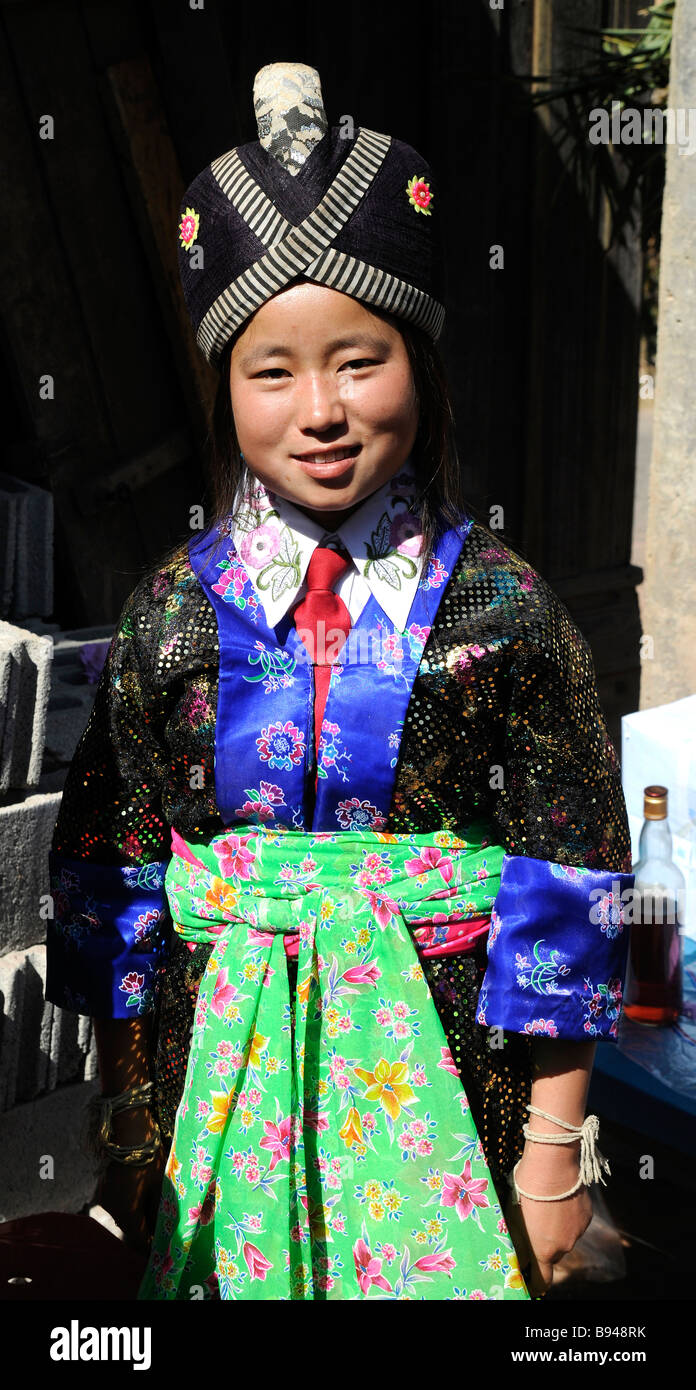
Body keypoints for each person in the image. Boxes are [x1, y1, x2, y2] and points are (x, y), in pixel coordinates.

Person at [45, 62, 633, 1302]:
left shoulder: (504, 609)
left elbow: (572, 876)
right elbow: (111, 876)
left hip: (458, 1091)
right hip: (220, 1081)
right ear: (225, 390)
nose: (320, 409)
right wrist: (132, 1138)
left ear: (418, 364)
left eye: (358, 360)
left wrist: (552, 1161)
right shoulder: (170, 618)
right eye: (272, 371)